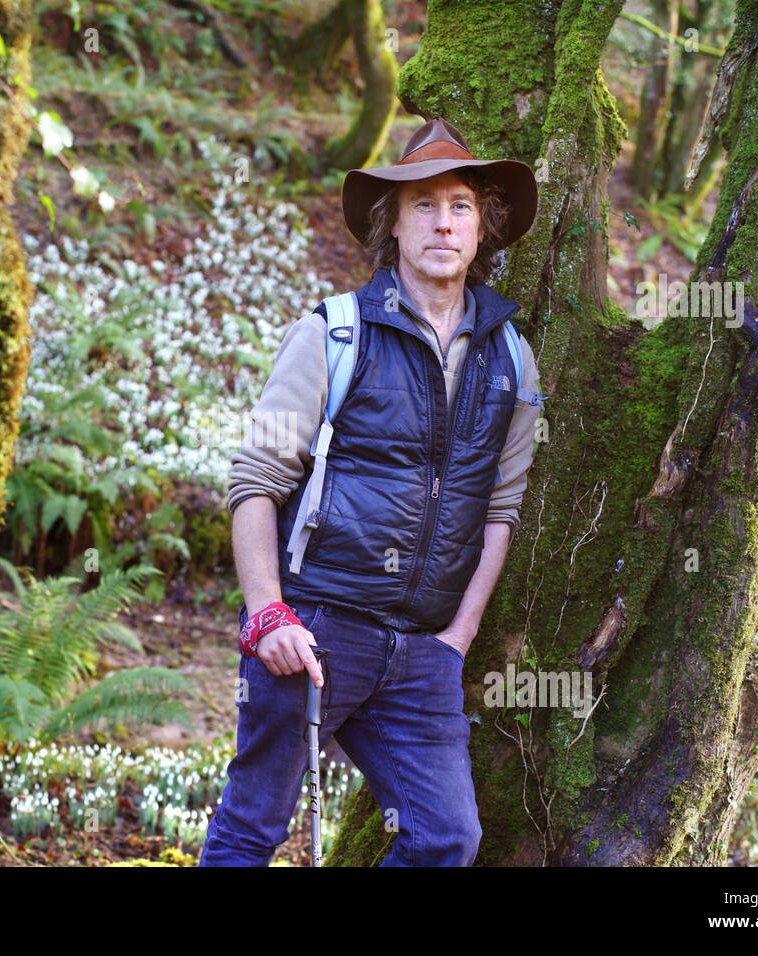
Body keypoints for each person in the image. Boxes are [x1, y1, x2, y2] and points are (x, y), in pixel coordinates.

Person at [197, 117, 544, 866]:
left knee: (447, 838)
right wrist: (268, 615)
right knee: (253, 828)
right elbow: (256, 480)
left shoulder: (512, 359)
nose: (443, 223)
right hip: (315, 628)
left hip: (424, 652)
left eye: (460, 206)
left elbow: (501, 510)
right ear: (393, 225)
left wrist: (458, 641)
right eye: (424, 205)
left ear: (482, 227)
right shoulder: (334, 333)